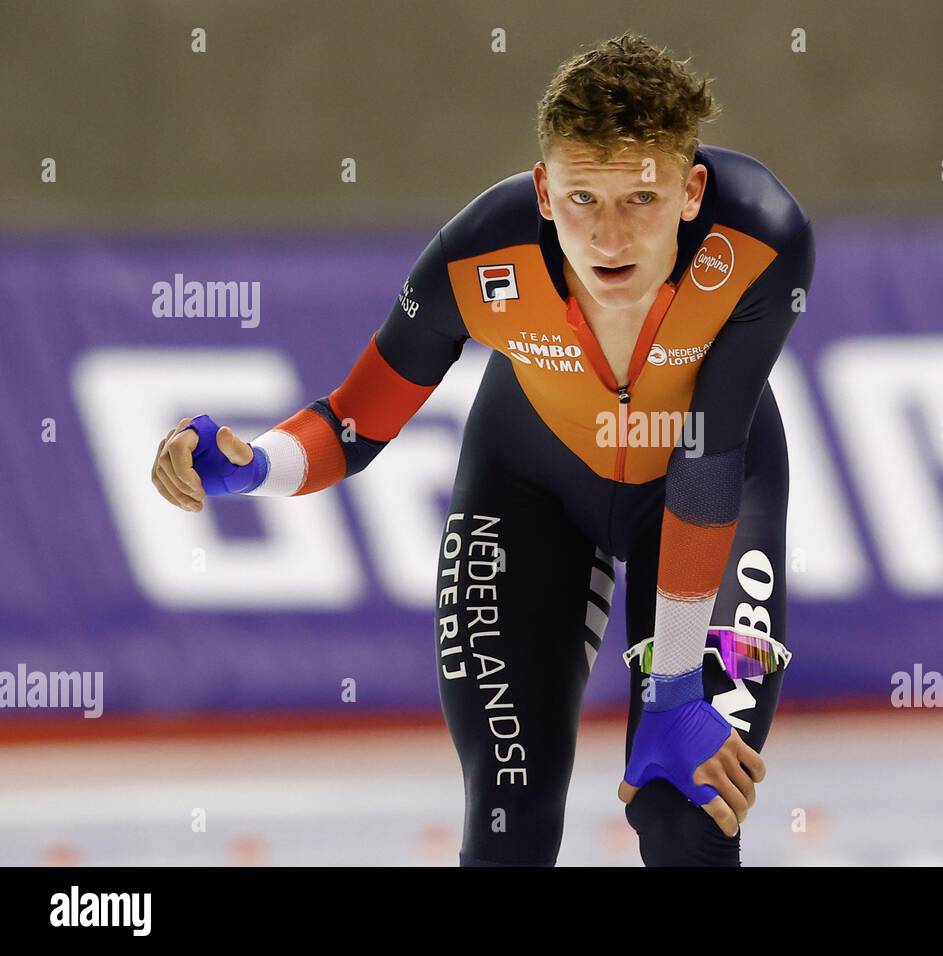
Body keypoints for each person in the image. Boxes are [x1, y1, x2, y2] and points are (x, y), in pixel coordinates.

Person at [150, 31, 815, 867]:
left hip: (712, 488)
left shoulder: (760, 237)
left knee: (687, 812)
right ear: (542, 191)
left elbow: (708, 458)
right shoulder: (476, 256)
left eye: (640, 201)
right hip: (527, 485)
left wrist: (677, 692)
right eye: (581, 199)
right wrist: (251, 469)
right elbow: (354, 424)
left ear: (692, 192)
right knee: (510, 813)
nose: (610, 237)